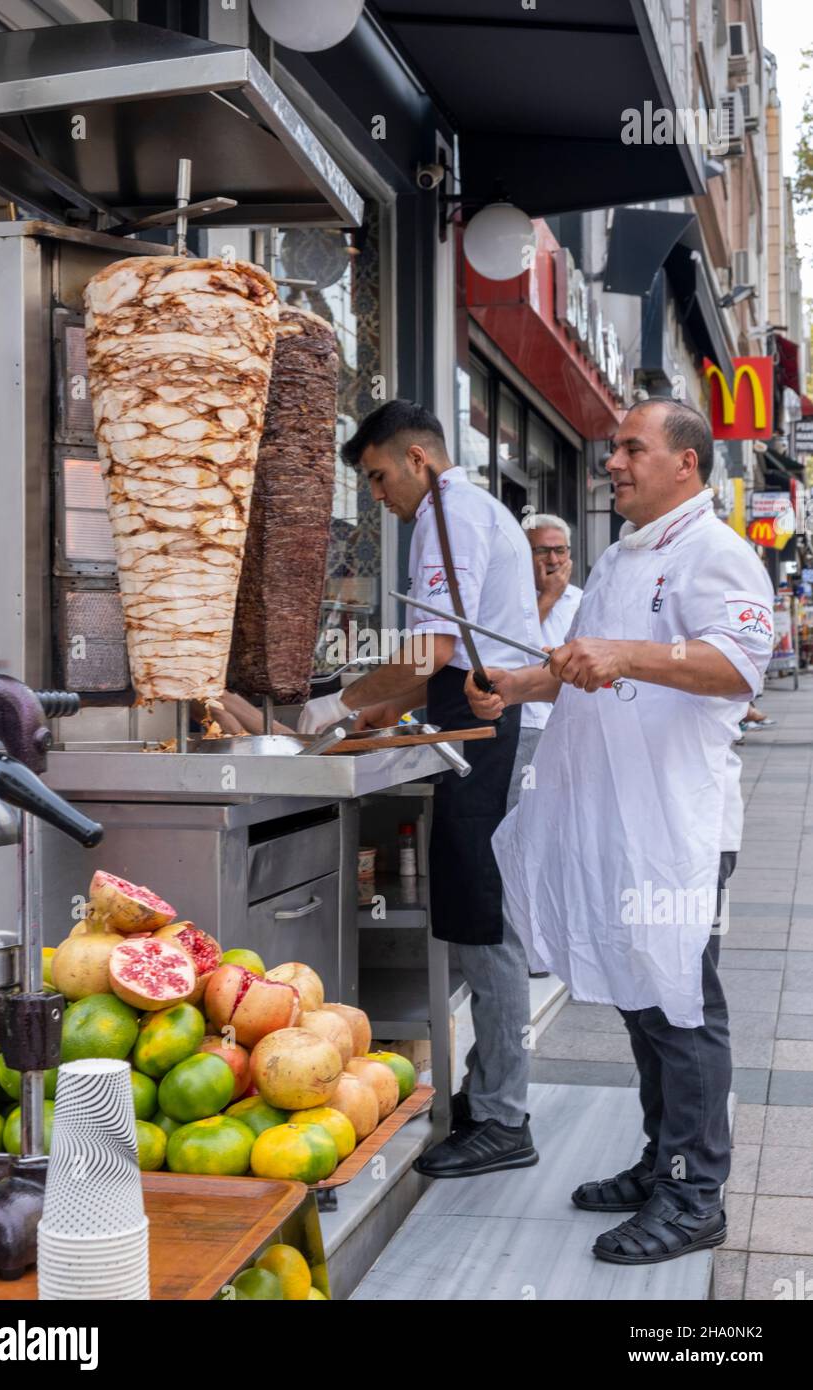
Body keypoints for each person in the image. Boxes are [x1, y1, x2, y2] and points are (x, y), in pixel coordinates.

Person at [466, 398, 774, 1264]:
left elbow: (739, 666)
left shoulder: (719, 553)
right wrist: (525, 684)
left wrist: (625, 656)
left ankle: (694, 1194)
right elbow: (592, 668)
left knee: (680, 1005)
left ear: (687, 463)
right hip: (619, 823)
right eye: (611, 450)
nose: (613, 462)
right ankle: (660, 1159)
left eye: (632, 448)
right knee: (643, 1002)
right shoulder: (621, 560)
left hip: (678, 824)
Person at [298, 399, 543, 1177]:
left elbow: (428, 652)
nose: (376, 495)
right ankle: (486, 1092)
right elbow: (431, 667)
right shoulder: (466, 512)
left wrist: (335, 706)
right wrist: (357, 713)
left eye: (376, 476)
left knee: (484, 927)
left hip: (489, 736)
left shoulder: (447, 515)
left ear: (418, 460)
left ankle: (505, 1119)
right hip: (480, 729)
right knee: (475, 925)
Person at [510, 514, 583, 978]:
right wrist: (547, 599)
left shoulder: (586, 601)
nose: (553, 560)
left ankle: (568, 945)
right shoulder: (513, 602)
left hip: (573, 733)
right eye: (541, 551)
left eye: (559, 551)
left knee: (568, 843)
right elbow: (510, 656)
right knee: (526, 841)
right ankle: (530, 952)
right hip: (525, 733)